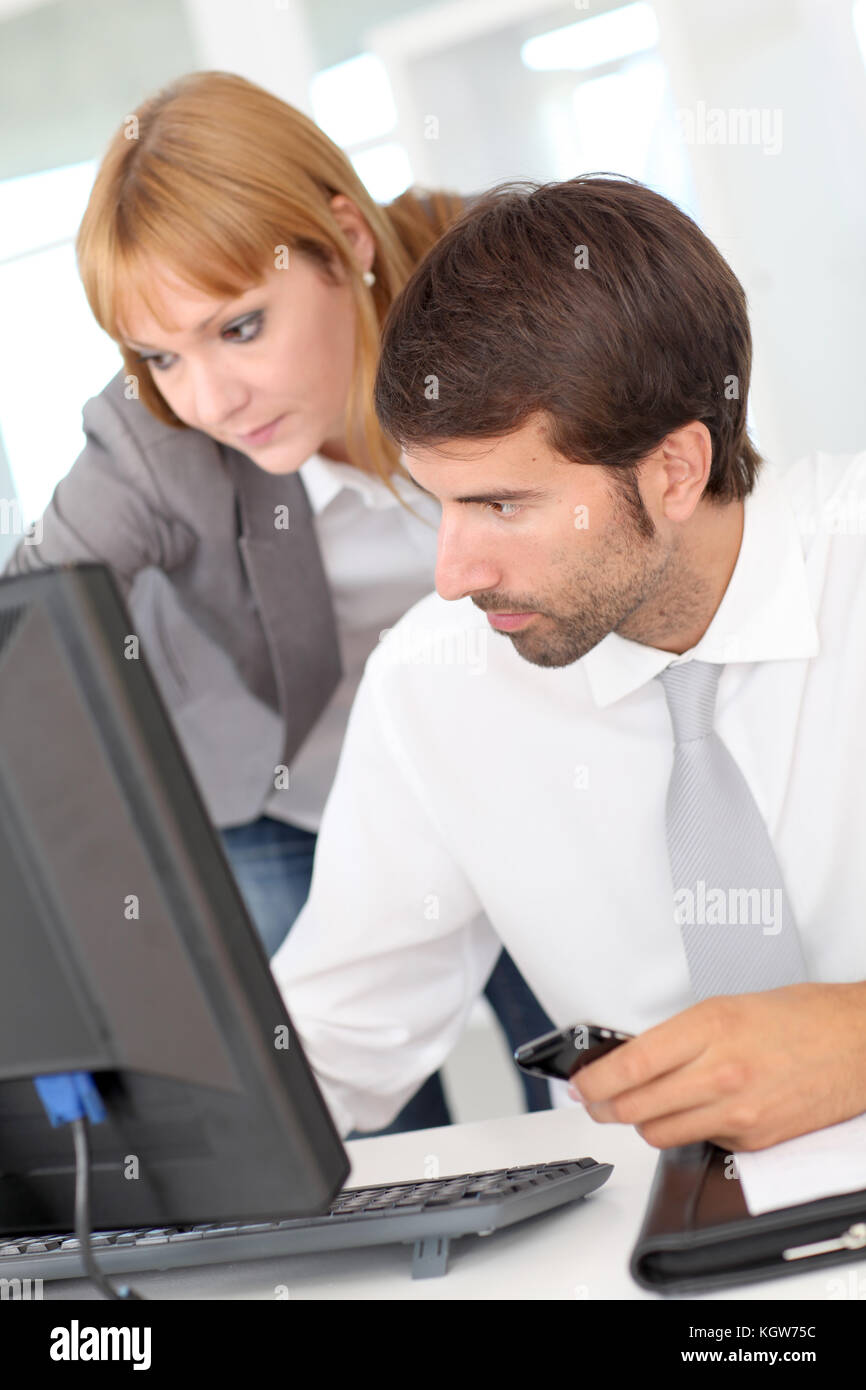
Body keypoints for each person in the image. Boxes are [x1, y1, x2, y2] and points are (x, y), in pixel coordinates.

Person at [2, 71, 555, 1134]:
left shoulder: (501, 300)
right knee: (343, 1127)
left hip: (505, 761)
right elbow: (24, 636)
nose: (209, 399)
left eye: (240, 327)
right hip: (283, 793)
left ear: (343, 235)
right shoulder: (150, 443)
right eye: (162, 353)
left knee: (583, 1060)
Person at [270, 174, 866, 1150]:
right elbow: (332, 1041)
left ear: (673, 469)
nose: (452, 572)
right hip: (638, 1248)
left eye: (501, 505)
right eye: (438, 502)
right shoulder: (431, 685)